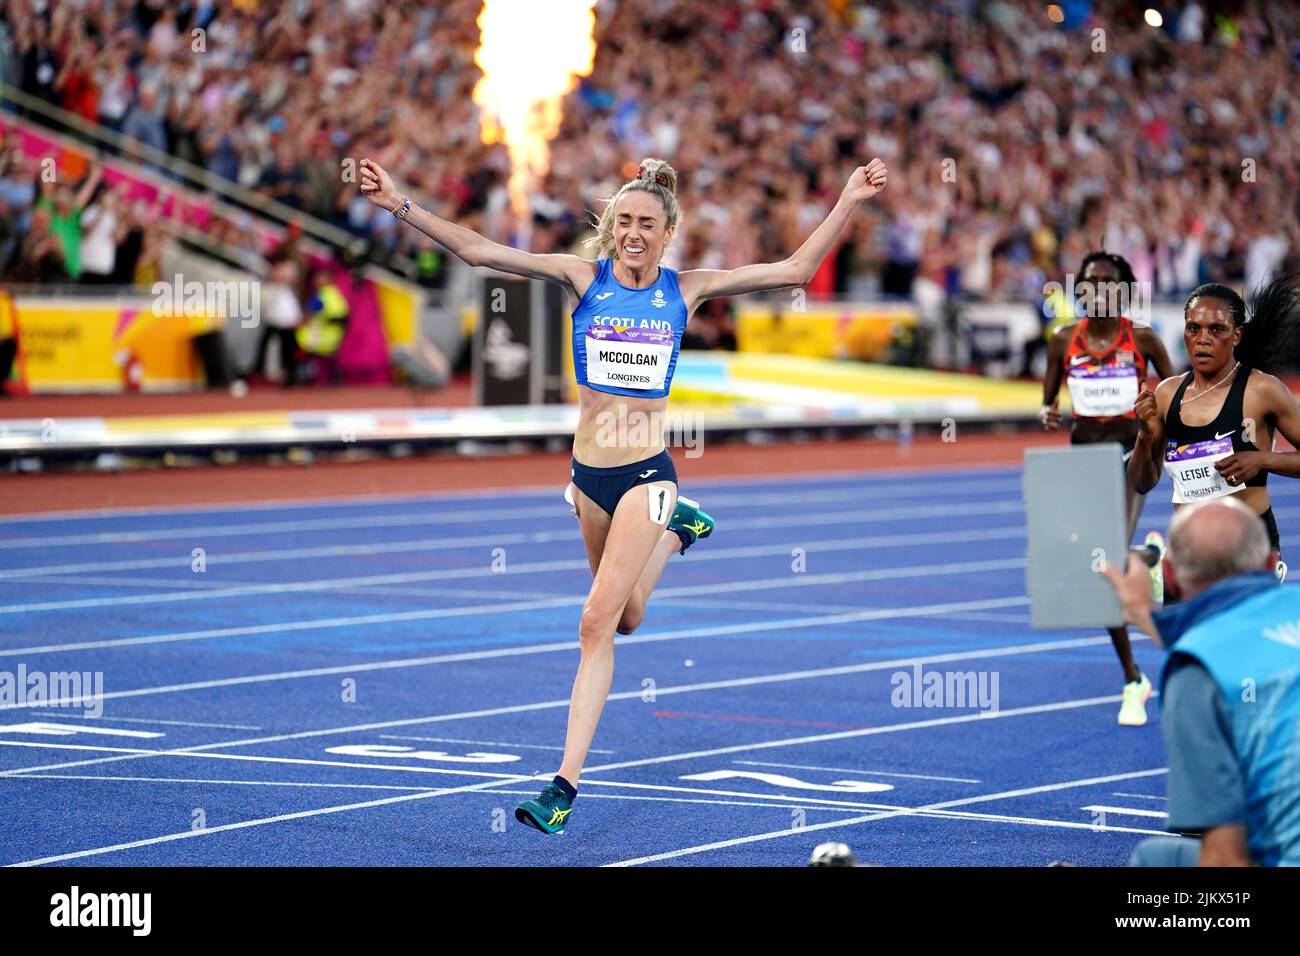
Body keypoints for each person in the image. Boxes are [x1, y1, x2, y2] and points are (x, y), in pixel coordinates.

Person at [359, 152, 888, 834]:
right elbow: (476, 250)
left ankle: (562, 787)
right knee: (629, 618)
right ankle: (679, 533)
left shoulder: (687, 289)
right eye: (624, 221)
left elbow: (792, 272)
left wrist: (846, 198)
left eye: (647, 223)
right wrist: (398, 202)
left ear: (668, 232)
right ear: (611, 227)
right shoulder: (583, 279)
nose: (634, 232)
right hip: (588, 481)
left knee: (593, 624)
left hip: (646, 474)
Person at [1101, 498, 1299, 866]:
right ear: (1273, 565)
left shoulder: (1198, 670)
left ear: (1172, 578)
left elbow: (1225, 860)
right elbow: (1240, 636)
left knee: (1155, 859)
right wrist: (1143, 615)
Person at [1040, 252, 1176, 725]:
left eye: (1108, 284)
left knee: (1105, 562)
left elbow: (1177, 393)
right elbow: (1049, 395)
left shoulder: (1143, 339)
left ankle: (1131, 681)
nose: (1098, 291)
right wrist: (1049, 412)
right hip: (1084, 461)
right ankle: (1152, 559)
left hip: (1132, 456)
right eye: (1090, 283)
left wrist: (1160, 424)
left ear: (1125, 291)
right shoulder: (1062, 340)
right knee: (1099, 564)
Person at [1130, 275, 1300, 579]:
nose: (1202, 339)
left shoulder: (1261, 390)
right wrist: (1143, 435)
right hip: (1190, 553)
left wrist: (1262, 459)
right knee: (1184, 630)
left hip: (1249, 548)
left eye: (1216, 329)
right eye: (1194, 328)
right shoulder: (1167, 394)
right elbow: (1142, 482)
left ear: (1236, 335)